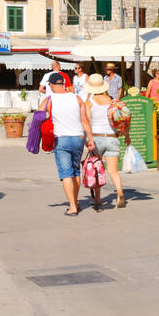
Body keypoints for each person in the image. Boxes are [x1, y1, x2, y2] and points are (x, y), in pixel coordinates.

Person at [43, 72, 92, 216]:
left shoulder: (49, 100)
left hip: (61, 139)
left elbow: (38, 117)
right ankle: (75, 201)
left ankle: (72, 207)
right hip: (78, 138)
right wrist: (91, 140)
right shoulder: (77, 98)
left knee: (66, 173)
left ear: (51, 85)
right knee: (76, 170)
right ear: (63, 84)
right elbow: (85, 121)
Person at [82, 72, 130, 210]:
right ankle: (119, 192)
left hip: (96, 138)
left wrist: (87, 139)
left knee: (96, 169)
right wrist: (127, 135)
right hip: (112, 138)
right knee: (113, 171)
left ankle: (97, 198)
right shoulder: (113, 101)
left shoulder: (89, 103)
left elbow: (87, 122)